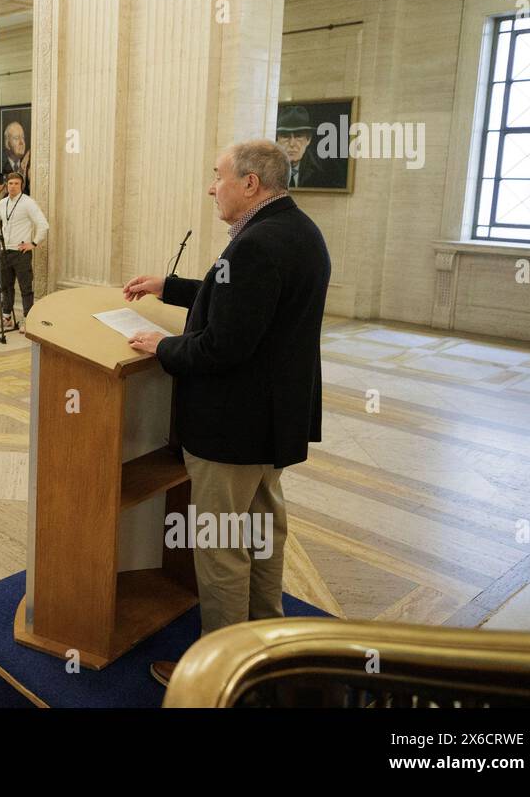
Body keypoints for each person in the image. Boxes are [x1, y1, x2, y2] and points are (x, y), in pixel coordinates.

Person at [126, 140, 330, 689]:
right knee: (264, 538)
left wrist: (160, 347)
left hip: (233, 431)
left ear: (251, 184)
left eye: (218, 177)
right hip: (272, 427)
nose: (211, 187)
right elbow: (234, 298)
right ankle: (268, 656)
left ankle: (220, 676)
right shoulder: (297, 230)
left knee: (221, 552)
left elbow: (223, 347)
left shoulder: (256, 245)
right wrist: (167, 286)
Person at [0, 171, 47, 331]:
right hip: (4, 251)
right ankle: (6, 316)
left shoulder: (28, 203)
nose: (13, 186)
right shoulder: (2, 203)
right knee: (5, 286)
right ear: (6, 185)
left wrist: (34, 243)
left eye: (16, 183)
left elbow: (43, 225)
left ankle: (27, 320)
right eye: (10, 183)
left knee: (25, 288)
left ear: (21, 185)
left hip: (21, 252)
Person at [1, 120, 32, 195]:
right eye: (16, 138)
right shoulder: (1, 164)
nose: (22, 142)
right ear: (7, 143)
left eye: (23, 138)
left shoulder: (27, 163)